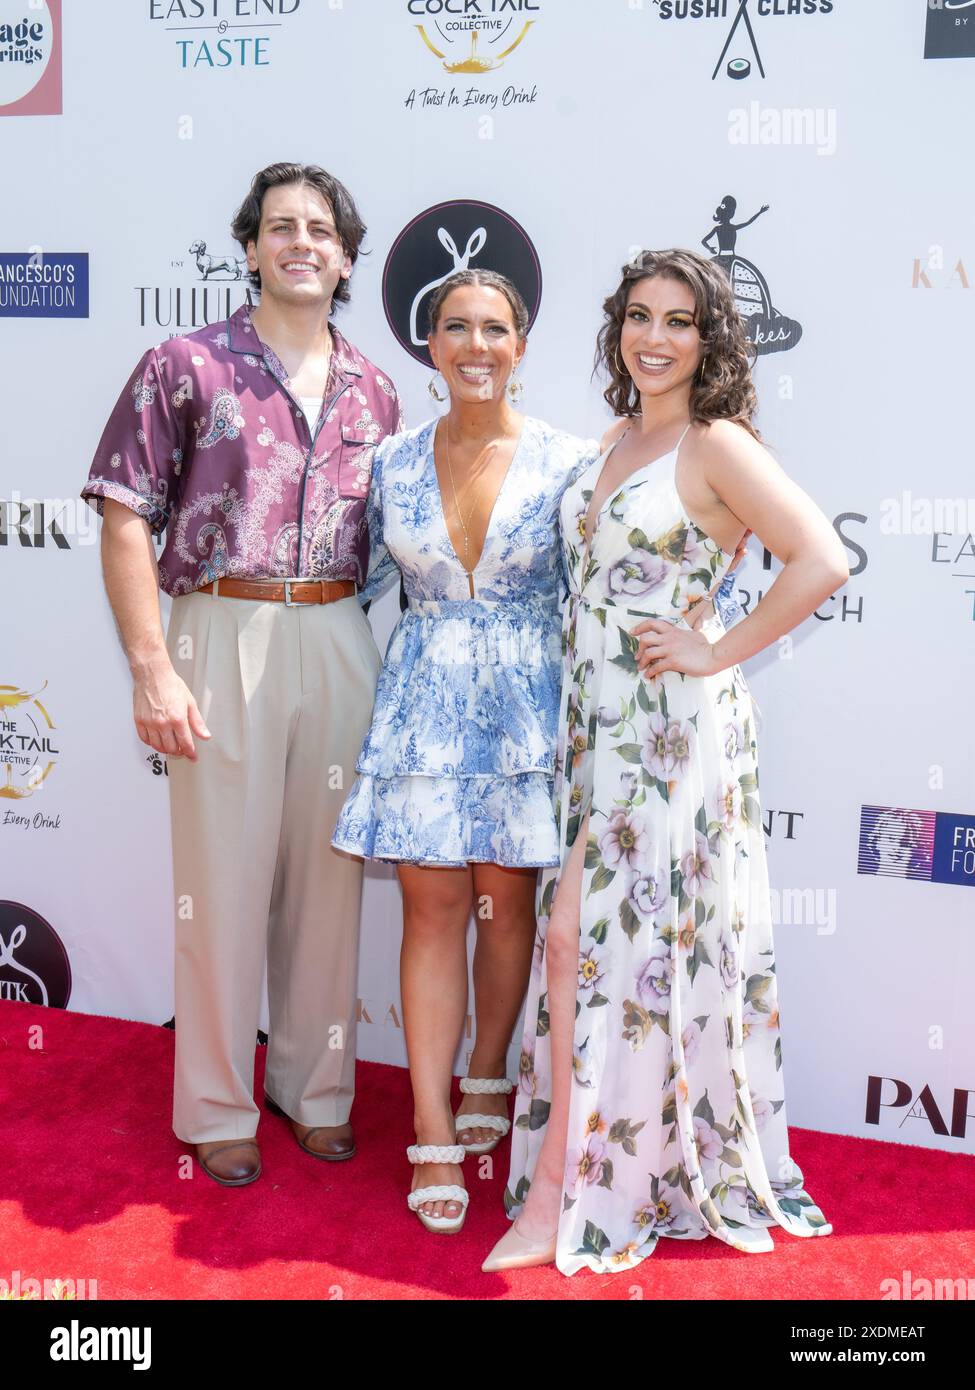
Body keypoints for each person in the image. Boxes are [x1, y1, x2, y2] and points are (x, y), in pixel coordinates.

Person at [485, 248, 848, 1273]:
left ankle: (569, 1188)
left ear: (710, 338)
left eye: (679, 322)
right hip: (594, 728)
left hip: (668, 735)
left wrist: (715, 648)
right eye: (639, 316)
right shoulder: (614, 436)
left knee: (587, 948)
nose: (654, 337)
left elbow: (821, 558)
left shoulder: (716, 441)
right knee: (596, 954)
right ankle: (610, 1167)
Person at [81, 163, 402, 1187]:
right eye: (279, 227)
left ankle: (313, 1090)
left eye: (319, 228)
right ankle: (217, 1103)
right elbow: (124, 512)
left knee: (328, 885)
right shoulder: (184, 363)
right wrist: (151, 668)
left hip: (340, 632)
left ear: (346, 257)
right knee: (219, 886)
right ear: (252, 246)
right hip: (219, 628)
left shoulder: (381, 388)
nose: (300, 241)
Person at [331, 269, 598, 1233]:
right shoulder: (391, 463)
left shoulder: (572, 462)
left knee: (506, 901)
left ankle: (490, 1066)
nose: (475, 346)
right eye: (456, 328)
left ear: (520, 344)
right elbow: (353, 584)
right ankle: (431, 1124)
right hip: (424, 707)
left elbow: (606, 586)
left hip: (529, 710)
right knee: (432, 909)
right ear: (430, 344)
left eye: (494, 329)